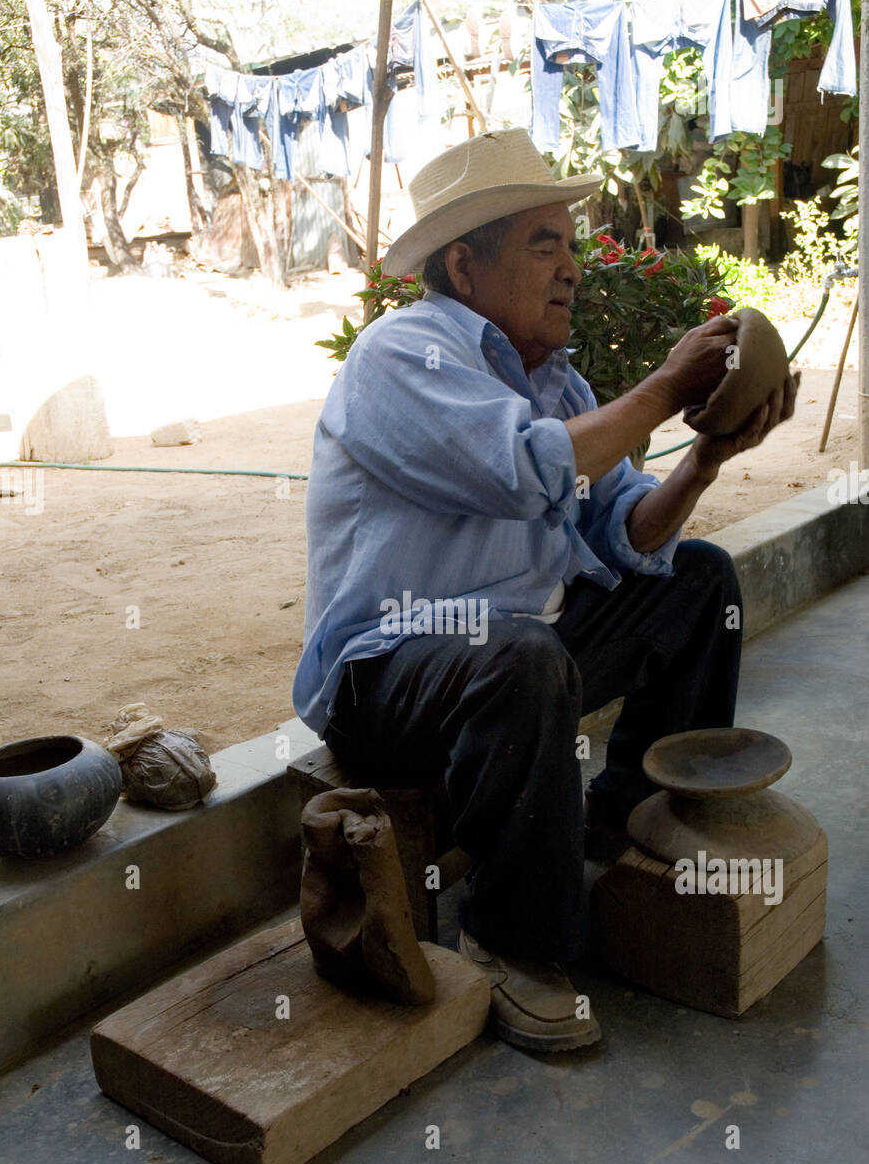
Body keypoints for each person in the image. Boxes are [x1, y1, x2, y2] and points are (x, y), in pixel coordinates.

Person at [292, 128, 799, 1053]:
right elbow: (522, 473)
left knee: (696, 578)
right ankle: (512, 940)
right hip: (387, 674)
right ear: (464, 263)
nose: (572, 269)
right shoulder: (404, 353)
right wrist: (663, 388)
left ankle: (627, 807)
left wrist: (709, 461)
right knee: (523, 655)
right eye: (544, 244)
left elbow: (625, 532)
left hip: (510, 656)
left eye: (571, 245)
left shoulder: (556, 382)